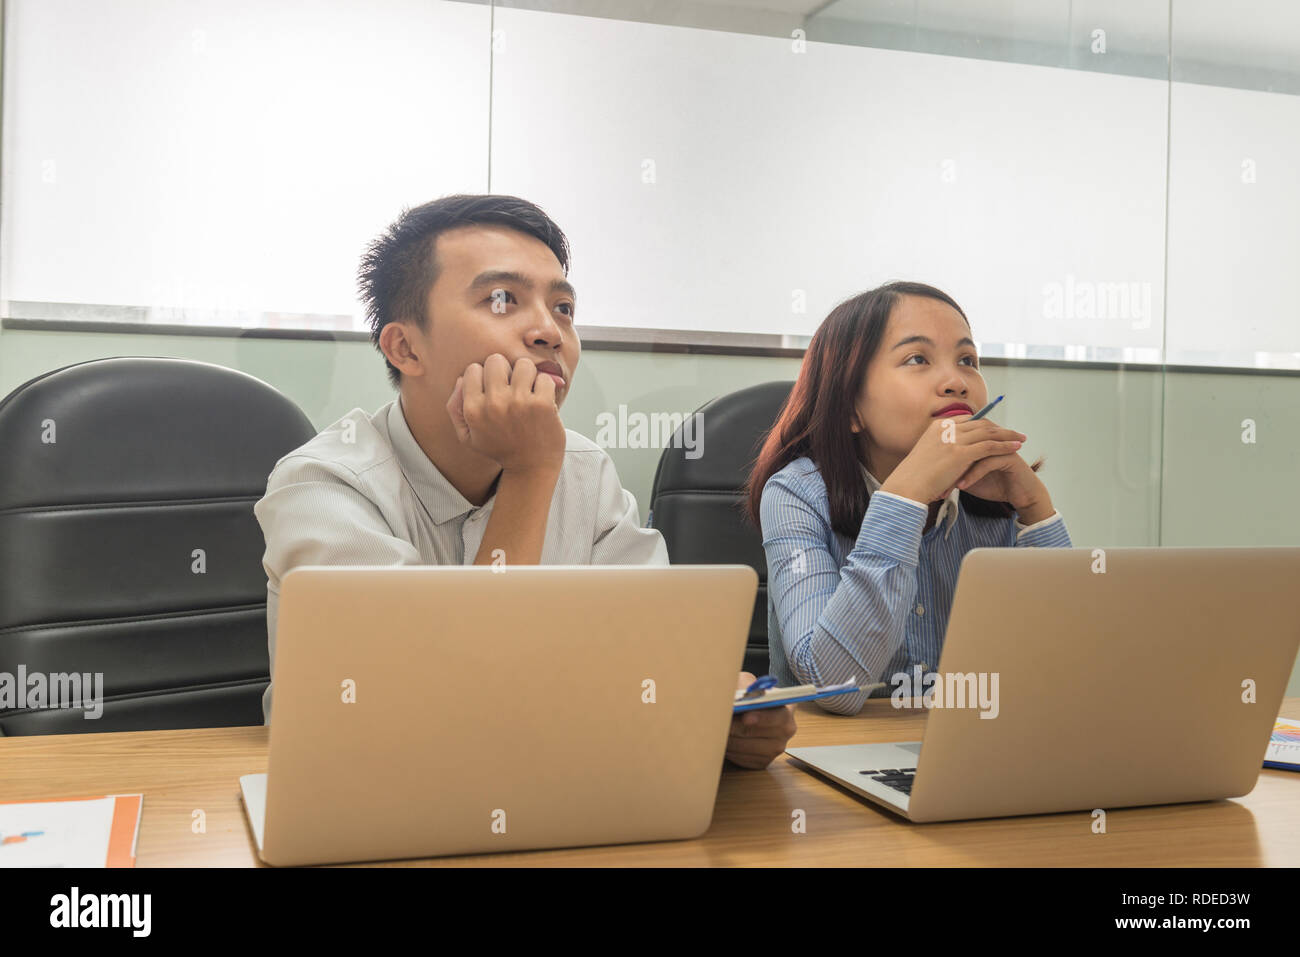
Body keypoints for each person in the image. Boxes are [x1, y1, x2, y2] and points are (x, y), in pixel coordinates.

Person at [254, 193, 794, 768]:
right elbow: (436, 717)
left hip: (554, 782)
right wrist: (530, 473)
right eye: (502, 299)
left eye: (563, 307)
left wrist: (716, 715)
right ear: (405, 347)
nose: (549, 331)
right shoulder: (322, 486)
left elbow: (649, 664)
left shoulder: (587, 471)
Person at [746, 281, 1072, 715]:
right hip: (833, 755)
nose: (957, 381)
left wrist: (1036, 510)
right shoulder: (797, 492)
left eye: (967, 360)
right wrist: (907, 494)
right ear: (849, 409)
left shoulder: (995, 492)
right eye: (917, 358)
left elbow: (1068, 675)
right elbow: (835, 687)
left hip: (968, 750)